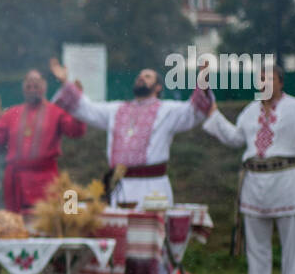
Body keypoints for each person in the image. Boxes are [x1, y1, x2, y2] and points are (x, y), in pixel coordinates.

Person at [202, 65, 295, 274]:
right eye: (261, 79)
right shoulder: (249, 110)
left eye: (269, 78)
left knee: (290, 242)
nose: (264, 82)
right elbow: (236, 138)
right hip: (254, 179)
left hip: (284, 176)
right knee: (256, 242)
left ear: (281, 82)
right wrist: (214, 115)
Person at [50, 59, 214, 209]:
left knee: (150, 239)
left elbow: (193, 111)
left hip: (153, 189)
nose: (141, 78)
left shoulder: (167, 110)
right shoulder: (116, 110)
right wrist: (65, 81)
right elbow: (88, 109)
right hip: (121, 187)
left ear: (158, 87)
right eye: (140, 76)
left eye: (148, 76)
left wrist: (203, 82)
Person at [0, 68, 86, 213]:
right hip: (15, 181)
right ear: (23, 89)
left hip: (45, 180)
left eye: (36, 86)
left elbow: (76, 131)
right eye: (29, 86)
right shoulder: (12, 113)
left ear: (44, 87)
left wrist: (76, 99)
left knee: (44, 223)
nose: (32, 89)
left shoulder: (56, 112)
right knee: (16, 227)